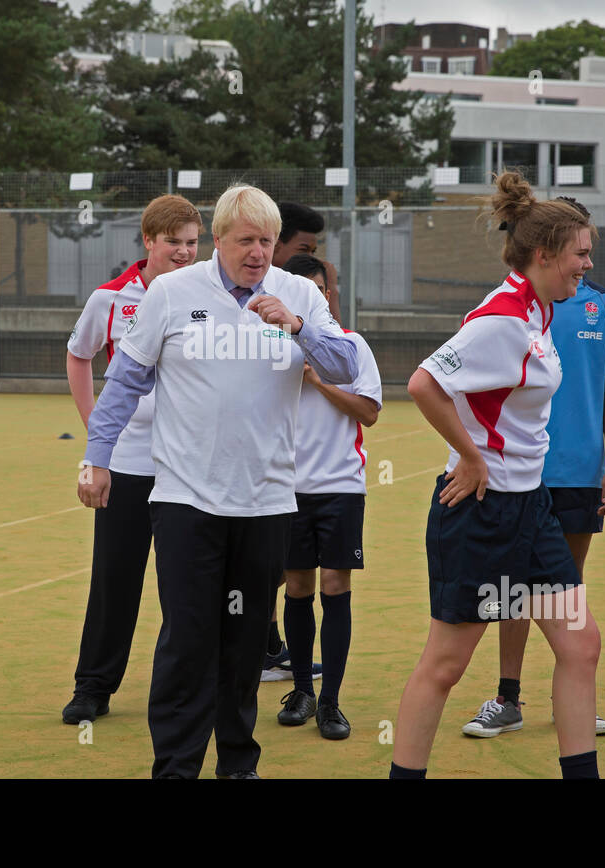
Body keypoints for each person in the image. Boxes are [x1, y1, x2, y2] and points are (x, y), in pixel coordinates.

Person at [77, 183, 358, 778]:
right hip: (186, 498)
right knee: (187, 637)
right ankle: (176, 766)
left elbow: (347, 367)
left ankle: (238, 763)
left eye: (269, 241)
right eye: (246, 241)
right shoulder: (173, 294)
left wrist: (300, 325)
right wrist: (97, 458)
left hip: (268, 500)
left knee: (246, 637)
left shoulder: (298, 292)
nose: (259, 252)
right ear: (219, 241)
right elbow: (125, 380)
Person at [391, 171, 602, 780]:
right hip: (480, 511)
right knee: (446, 666)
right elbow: (423, 383)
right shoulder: (505, 319)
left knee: (579, 644)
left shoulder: (536, 309)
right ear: (545, 255)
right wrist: (472, 453)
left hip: (529, 508)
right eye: (580, 254)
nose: (587, 265)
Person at [461, 197, 605, 739]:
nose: (584, 259)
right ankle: (507, 697)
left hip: (580, 471)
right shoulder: (517, 306)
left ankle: (574, 699)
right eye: (577, 247)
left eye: (587, 247)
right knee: (515, 586)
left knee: (565, 587)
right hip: (516, 473)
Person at [61, 194, 202, 724]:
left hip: (187, 465)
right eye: (174, 243)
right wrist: (96, 427)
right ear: (148, 242)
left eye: (192, 243)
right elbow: (79, 355)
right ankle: (93, 687)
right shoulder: (111, 299)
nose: (185, 253)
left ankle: (184, 691)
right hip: (126, 464)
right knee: (114, 578)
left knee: (185, 583)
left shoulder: (209, 296)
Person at [275, 254, 381, 741]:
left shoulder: (352, 346)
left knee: (335, 585)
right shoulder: (273, 350)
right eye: (310, 293)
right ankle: (301, 690)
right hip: (286, 487)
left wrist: (320, 381)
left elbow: (368, 411)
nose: (321, 300)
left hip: (340, 487)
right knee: (297, 587)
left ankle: (332, 703)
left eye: (325, 292)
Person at [263, 201, 335, 682]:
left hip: (301, 471)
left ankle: (270, 647)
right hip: (260, 466)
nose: (310, 260)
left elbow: (346, 363)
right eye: (303, 249)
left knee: (280, 567)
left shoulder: (301, 303)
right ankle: (261, 647)